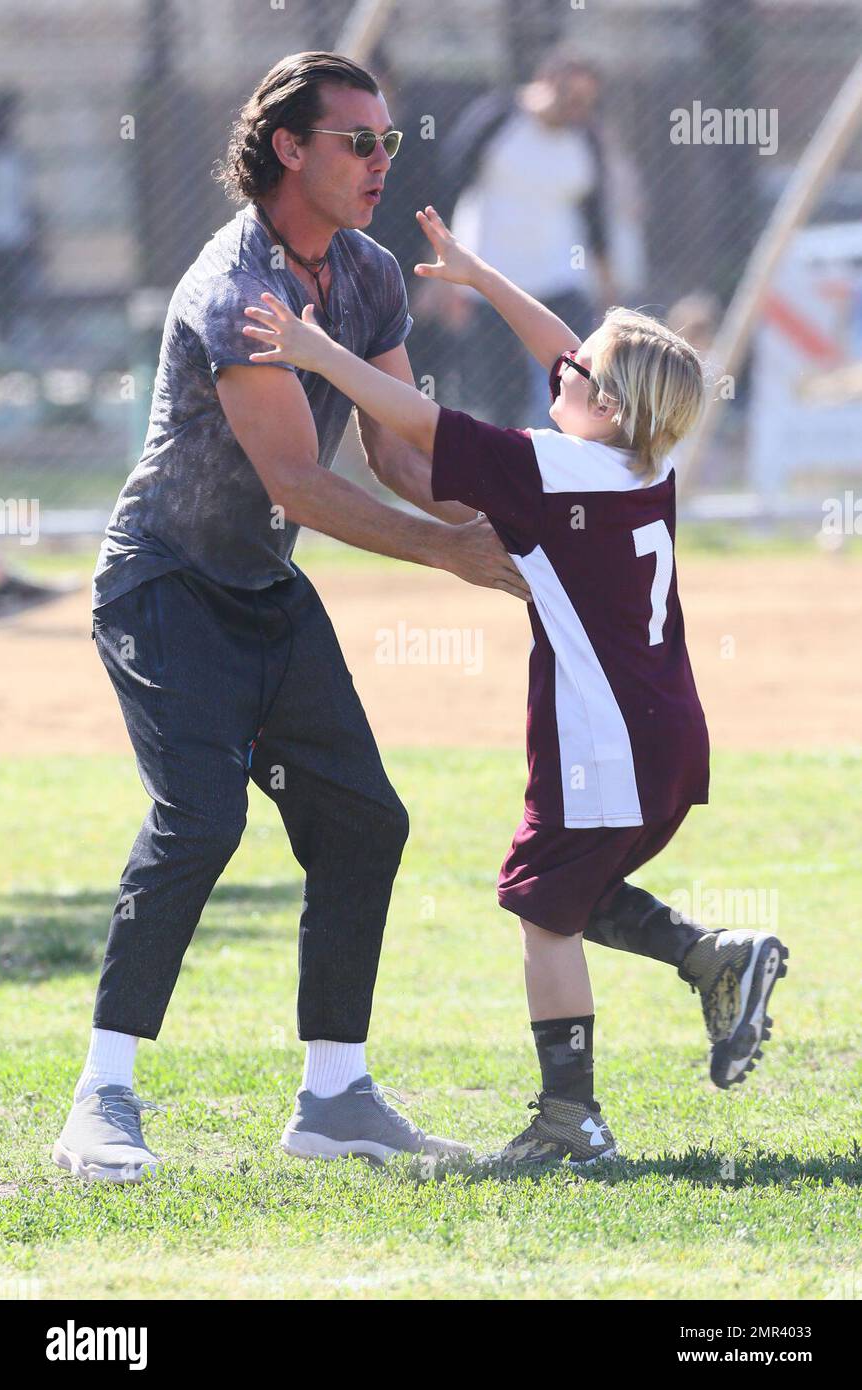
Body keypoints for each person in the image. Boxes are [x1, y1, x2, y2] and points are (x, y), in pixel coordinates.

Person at [52, 53, 531, 1185]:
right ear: (289, 150)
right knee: (200, 820)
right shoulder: (237, 285)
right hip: (163, 583)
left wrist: (519, 514)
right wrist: (450, 553)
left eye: (387, 143)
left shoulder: (364, 274)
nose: (380, 163)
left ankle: (334, 1098)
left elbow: (396, 450)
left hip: (264, 591)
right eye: (357, 143)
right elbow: (299, 484)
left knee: (364, 820)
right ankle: (100, 1096)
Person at [241, 205, 789, 1168]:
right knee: (570, 890)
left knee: (542, 912)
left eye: (578, 373)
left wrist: (314, 351)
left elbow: (416, 419)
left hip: (605, 743)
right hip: (662, 739)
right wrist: (482, 277)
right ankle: (715, 958)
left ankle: (569, 1120)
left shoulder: (554, 469)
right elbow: (578, 354)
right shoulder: (637, 460)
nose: (560, 369)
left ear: (606, 405)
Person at [437, 54, 616, 428]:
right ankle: (511, 473)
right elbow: (449, 188)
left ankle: (565, 468)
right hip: (493, 279)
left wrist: (605, 278)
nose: (577, 109)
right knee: (505, 394)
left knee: (575, 375)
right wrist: (444, 268)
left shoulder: (585, 138)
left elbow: (595, 214)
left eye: (586, 102)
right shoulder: (497, 119)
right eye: (571, 97)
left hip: (561, 278)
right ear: (546, 81)